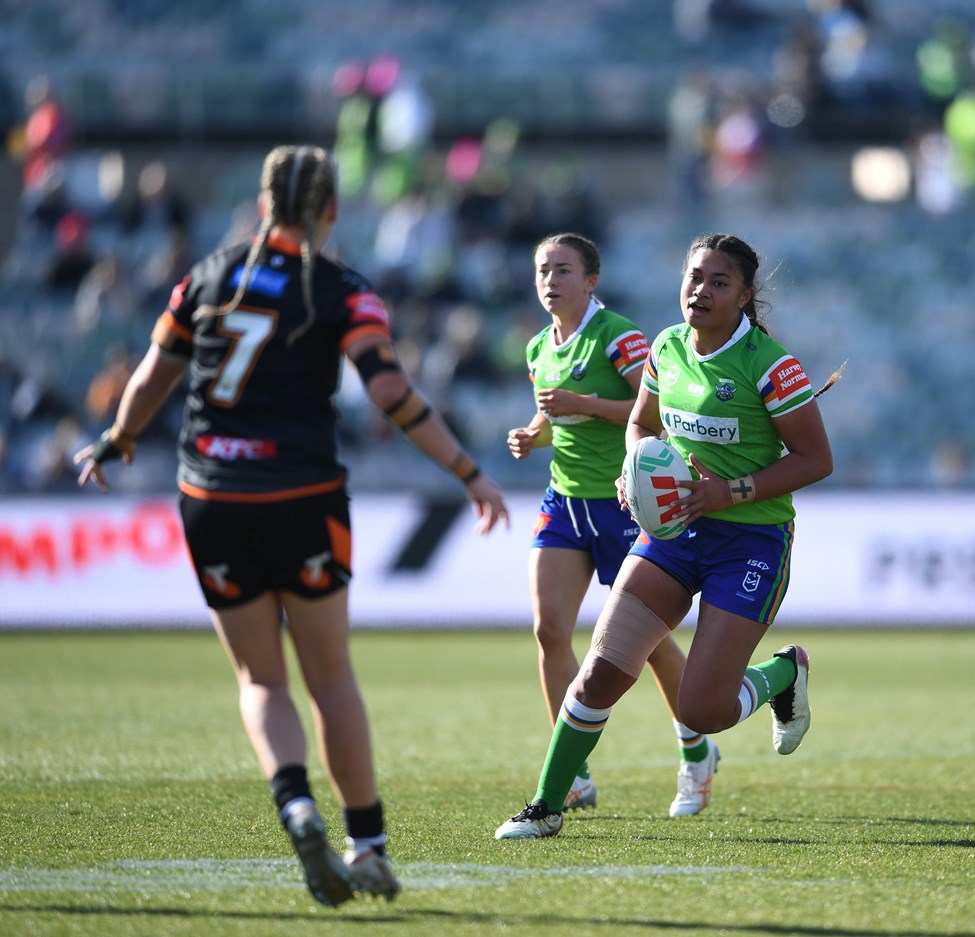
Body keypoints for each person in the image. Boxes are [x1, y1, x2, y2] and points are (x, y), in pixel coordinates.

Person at [74, 144, 511, 904]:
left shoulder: (205, 277)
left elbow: (152, 376)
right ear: (331, 210)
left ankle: (295, 800)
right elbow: (391, 392)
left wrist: (117, 436)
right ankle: (367, 843)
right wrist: (468, 473)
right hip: (302, 494)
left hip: (210, 495)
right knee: (331, 676)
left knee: (260, 677)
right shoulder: (340, 288)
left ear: (263, 202)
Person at [496, 232, 836, 839]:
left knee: (701, 709)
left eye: (719, 282)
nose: (701, 291)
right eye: (694, 278)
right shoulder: (667, 346)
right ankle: (546, 806)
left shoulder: (770, 365)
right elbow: (639, 423)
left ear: (745, 296)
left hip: (749, 543)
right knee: (601, 670)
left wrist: (728, 493)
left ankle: (784, 673)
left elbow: (815, 460)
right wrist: (634, 469)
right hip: (674, 532)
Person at [505, 232, 721, 820]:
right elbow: (555, 413)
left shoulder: (619, 336)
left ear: (591, 280)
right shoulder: (536, 348)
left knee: (644, 644)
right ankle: (570, 774)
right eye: (543, 270)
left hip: (623, 504)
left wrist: (584, 406)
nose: (551, 280)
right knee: (550, 631)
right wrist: (535, 434)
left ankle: (696, 747)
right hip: (564, 501)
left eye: (564, 269)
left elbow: (652, 411)